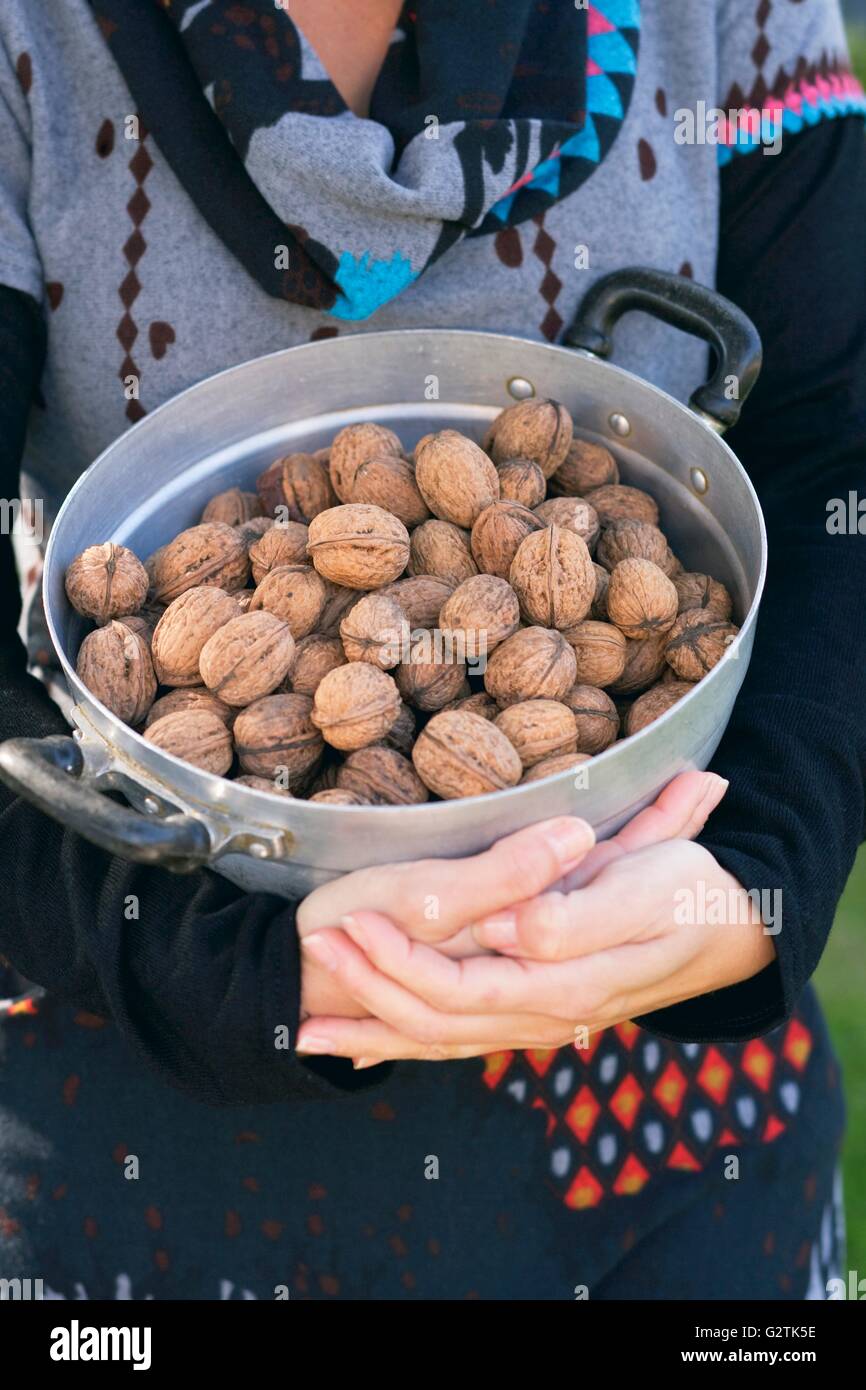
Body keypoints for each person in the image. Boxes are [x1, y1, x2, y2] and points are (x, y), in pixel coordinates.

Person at [0, 0, 864, 1300]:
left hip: (661, 1121)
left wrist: (752, 880)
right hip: (131, 1085)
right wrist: (222, 965)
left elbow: (833, 452)